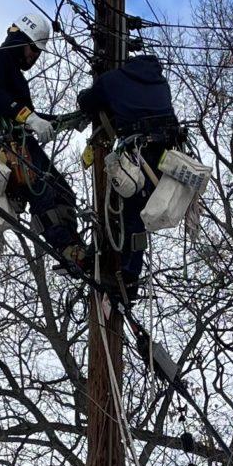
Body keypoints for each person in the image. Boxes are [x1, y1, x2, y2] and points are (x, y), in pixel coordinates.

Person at [79, 27, 190, 299]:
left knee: (130, 214)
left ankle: (126, 275)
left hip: (138, 153)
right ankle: (129, 271)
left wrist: (98, 88)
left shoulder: (113, 79)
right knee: (141, 214)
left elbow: (87, 102)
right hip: (165, 155)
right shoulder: (160, 83)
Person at [0, 13, 88, 270]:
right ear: (20, 39)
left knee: (64, 192)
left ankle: (75, 247)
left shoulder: (15, 75)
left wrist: (66, 120)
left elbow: (29, 117)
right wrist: (30, 118)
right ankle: (67, 249)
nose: (35, 57)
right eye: (33, 49)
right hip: (2, 146)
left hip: (21, 145)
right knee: (45, 194)